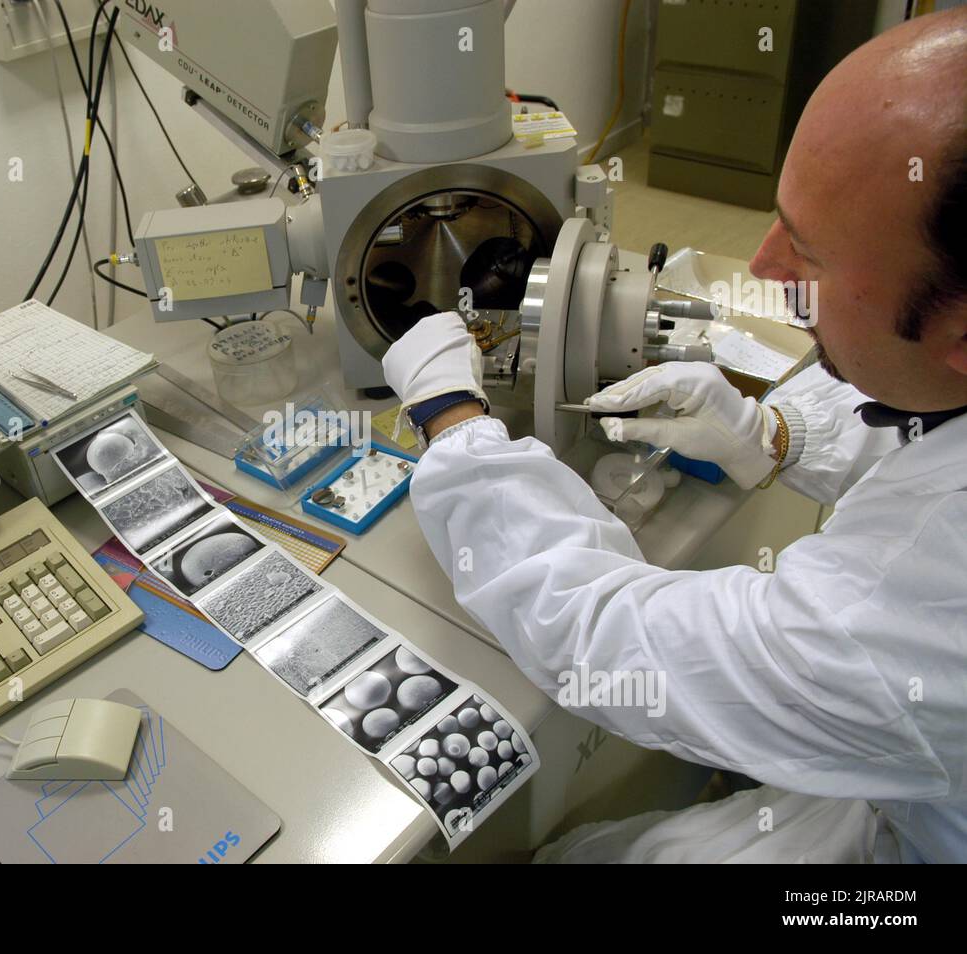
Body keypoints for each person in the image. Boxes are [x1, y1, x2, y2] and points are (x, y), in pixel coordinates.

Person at [381, 8, 967, 863]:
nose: (762, 266)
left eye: (808, 252)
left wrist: (453, 424)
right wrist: (773, 434)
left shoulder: (920, 599)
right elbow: (929, 427)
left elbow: (609, 639)